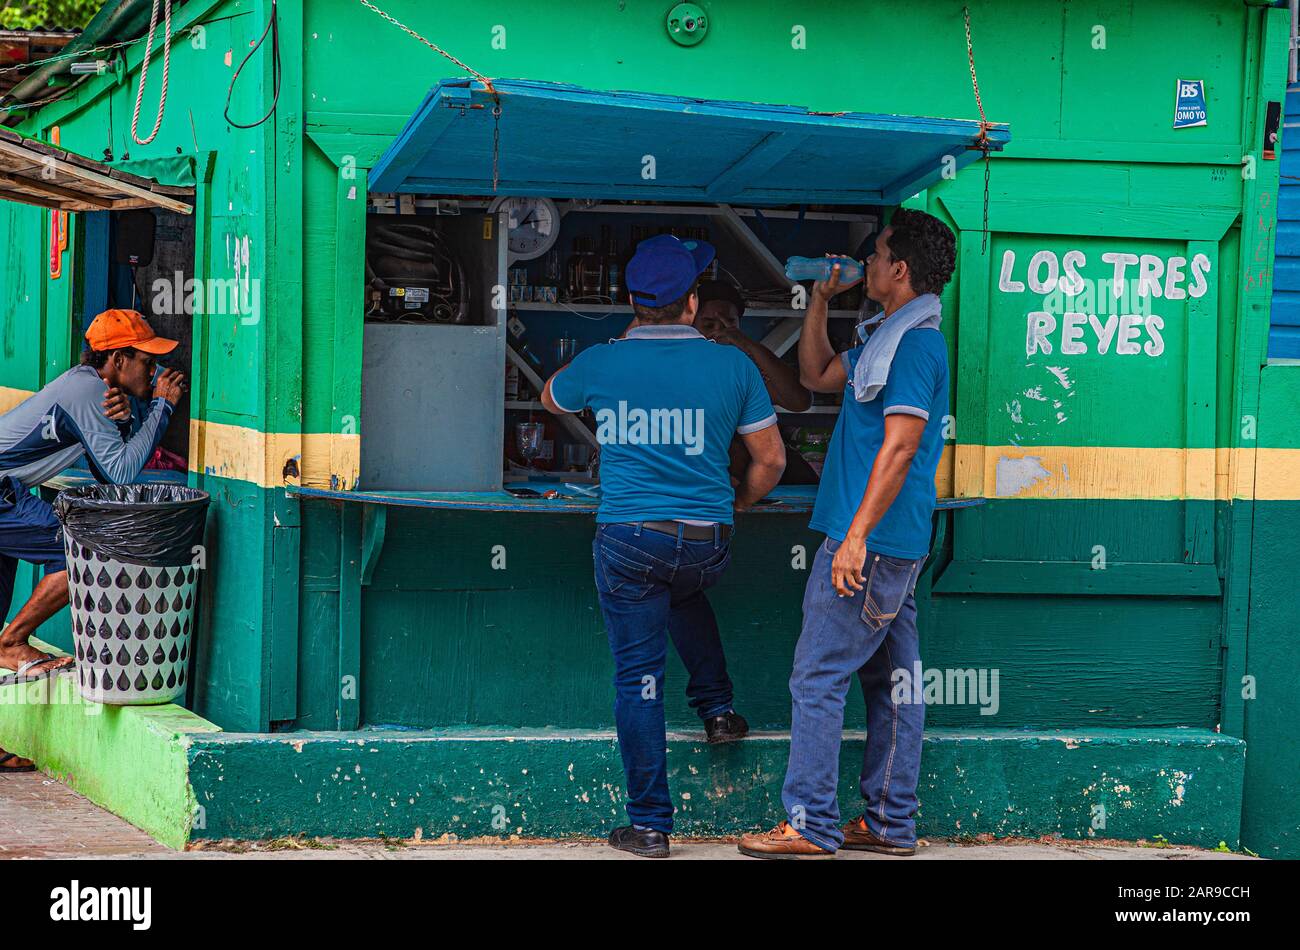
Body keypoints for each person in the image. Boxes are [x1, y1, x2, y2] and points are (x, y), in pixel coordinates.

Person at [542, 234, 786, 858]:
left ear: (632, 299)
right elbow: (771, 461)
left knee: (638, 677)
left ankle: (650, 824)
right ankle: (719, 709)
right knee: (682, 592)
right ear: (692, 301)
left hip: (629, 540)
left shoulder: (602, 360)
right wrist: (735, 505)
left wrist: (632, 333)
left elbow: (550, 397)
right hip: (706, 544)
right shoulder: (733, 365)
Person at [738, 209, 956, 858]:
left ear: (900, 269)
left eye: (874, 257)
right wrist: (818, 304)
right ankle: (889, 823)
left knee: (817, 676)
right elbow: (816, 378)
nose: (866, 266)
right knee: (895, 688)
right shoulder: (889, 336)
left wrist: (856, 536)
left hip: (874, 540)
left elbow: (901, 445)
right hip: (893, 540)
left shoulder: (914, 346)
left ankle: (809, 823)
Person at [0, 309, 184, 772]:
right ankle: (13, 641)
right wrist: (161, 407)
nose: (155, 372)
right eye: (146, 361)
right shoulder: (86, 389)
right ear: (118, 359)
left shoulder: (96, 389)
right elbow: (118, 474)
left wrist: (130, 415)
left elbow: (113, 452)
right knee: (81, 551)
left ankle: (7, 641)